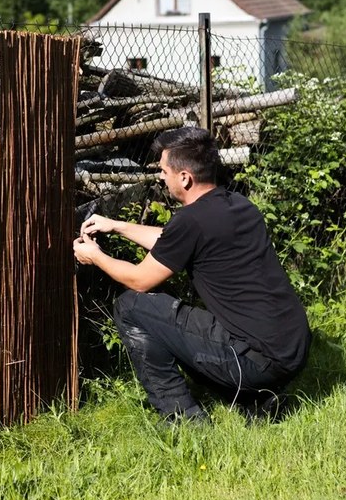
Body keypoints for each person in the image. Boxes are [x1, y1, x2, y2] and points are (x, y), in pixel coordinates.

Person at [73, 127, 311, 423]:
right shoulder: (239, 206)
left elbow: (140, 279)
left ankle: (182, 418)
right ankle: (260, 401)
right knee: (197, 329)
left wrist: (94, 256)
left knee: (131, 306)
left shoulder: (191, 221)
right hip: (292, 352)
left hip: (255, 363)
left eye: (163, 170)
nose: (161, 177)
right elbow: (173, 240)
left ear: (184, 177)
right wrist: (117, 225)